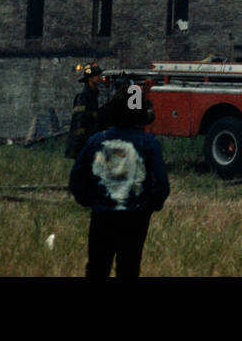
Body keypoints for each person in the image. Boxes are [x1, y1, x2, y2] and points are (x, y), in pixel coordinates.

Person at [69, 89, 171, 277]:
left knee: (97, 267)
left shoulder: (95, 141)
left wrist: (92, 202)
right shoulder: (149, 143)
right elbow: (162, 185)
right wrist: (149, 206)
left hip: (102, 216)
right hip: (135, 218)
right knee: (129, 267)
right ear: (140, 114)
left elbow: (76, 179)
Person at [65, 63, 102, 159]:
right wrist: (83, 142)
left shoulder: (94, 96)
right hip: (82, 144)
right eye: (96, 75)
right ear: (89, 78)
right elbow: (79, 121)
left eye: (99, 75)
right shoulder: (83, 97)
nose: (99, 77)